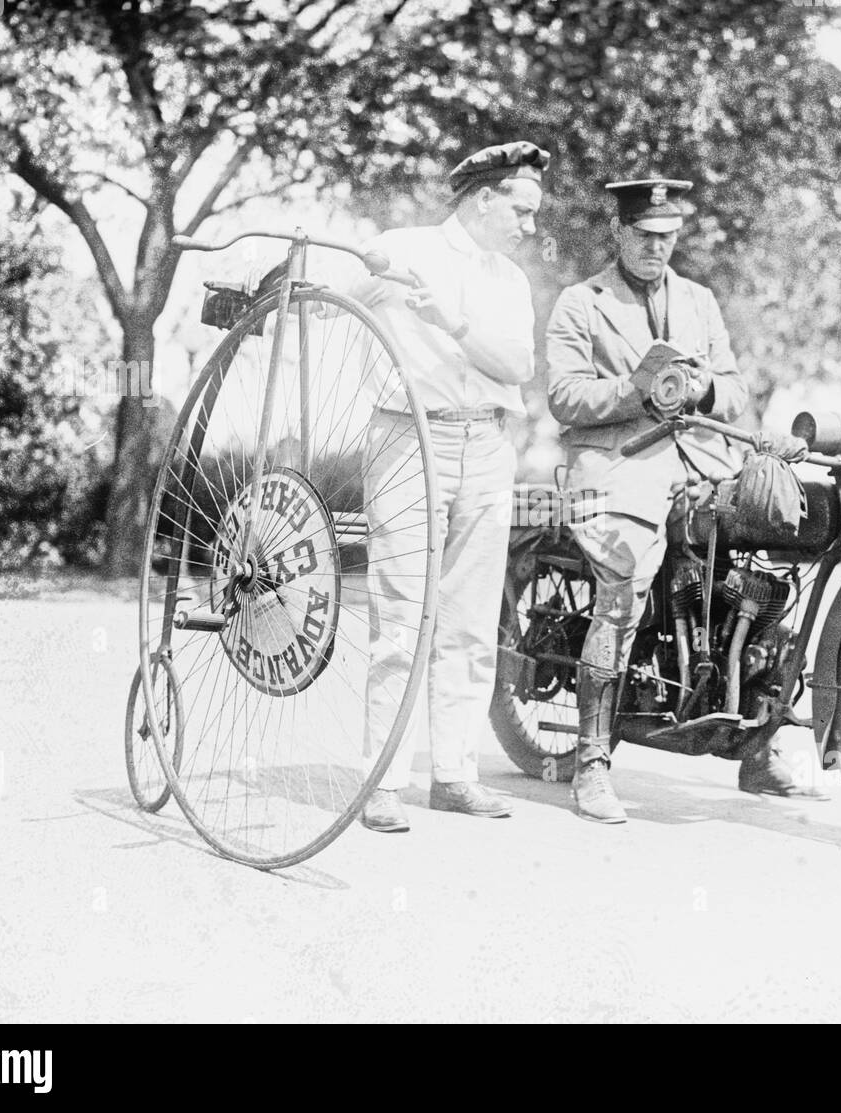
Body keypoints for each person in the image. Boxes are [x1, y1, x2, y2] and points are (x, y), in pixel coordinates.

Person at [545, 177, 827, 823]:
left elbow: (733, 385)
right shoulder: (580, 303)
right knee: (626, 583)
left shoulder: (699, 300)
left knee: (767, 559)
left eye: (667, 238)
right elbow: (563, 397)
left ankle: (756, 745)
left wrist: (699, 393)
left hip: (701, 458)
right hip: (615, 464)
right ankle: (591, 760)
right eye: (644, 236)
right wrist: (640, 388)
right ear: (617, 232)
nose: (656, 249)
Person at [346, 140, 549, 832]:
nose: (529, 226)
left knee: (468, 617)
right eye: (520, 210)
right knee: (402, 613)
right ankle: (382, 780)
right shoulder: (404, 249)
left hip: (487, 443)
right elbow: (337, 301)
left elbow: (516, 364)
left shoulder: (510, 282)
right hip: (409, 434)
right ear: (483, 197)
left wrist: (450, 323)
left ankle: (455, 772)